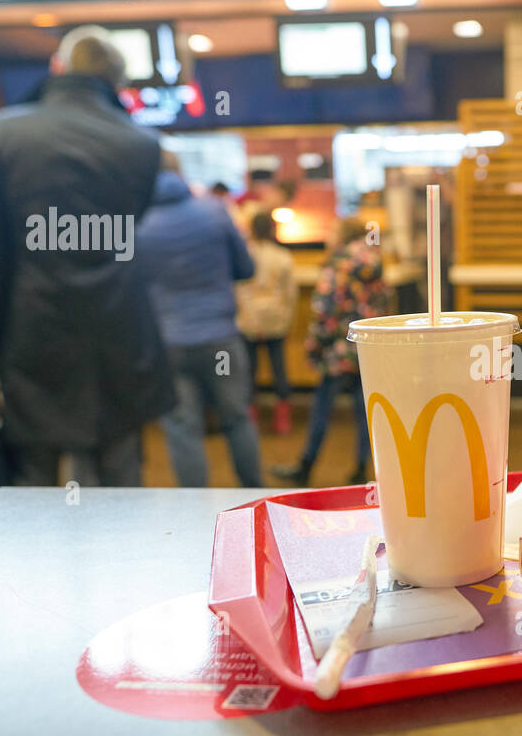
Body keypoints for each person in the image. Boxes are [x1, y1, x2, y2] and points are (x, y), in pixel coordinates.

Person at [0, 26, 172, 486]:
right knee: (120, 473)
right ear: (117, 83)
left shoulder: (0, 133)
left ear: (58, 67)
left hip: (32, 329)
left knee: (32, 478)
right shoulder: (143, 143)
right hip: (120, 327)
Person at [138, 154, 261, 488]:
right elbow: (246, 269)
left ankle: (196, 512)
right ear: (181, 172)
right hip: (220, 338)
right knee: (236, 418)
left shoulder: (138, 223)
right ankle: (257, 497)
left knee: (182, 429)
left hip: (169, 344)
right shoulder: (214, 211)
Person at [271, 218, 394, 486]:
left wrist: (314, 346)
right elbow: (384, 304)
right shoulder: (375, 261)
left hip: (339, 349)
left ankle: (306, 465)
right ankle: (362, 470)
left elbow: (325, 309)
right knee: (366, 411)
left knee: (322, 407)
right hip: (368, 348)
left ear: (341, 235)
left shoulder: (338, 263)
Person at [236, 211, 298, 435]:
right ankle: (283, 420)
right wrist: (286, 317)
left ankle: (250, 420)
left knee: (248, 371)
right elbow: (291, 293)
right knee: (279, 368)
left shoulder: (243, 255)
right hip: (276, 320)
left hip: (248, 321)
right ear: (273, 230)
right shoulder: (283, 257)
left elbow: (239, 289)